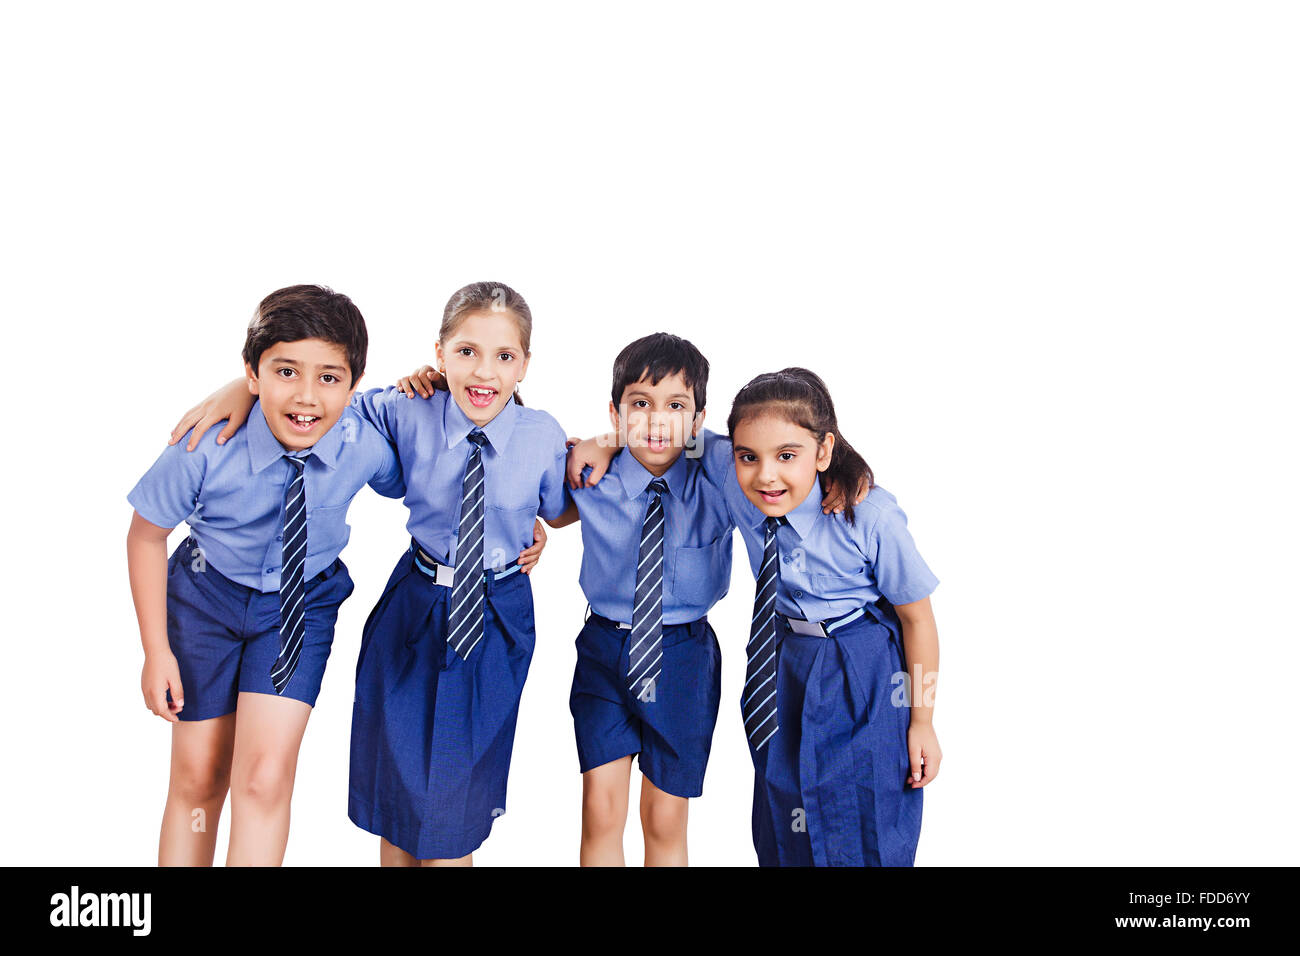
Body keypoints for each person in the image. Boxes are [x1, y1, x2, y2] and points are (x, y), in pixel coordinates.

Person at [166, 281, 556, 866]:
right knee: (398, 790)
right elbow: (319, 396)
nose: (485, 370)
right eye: (467, 351)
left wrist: (530, 526)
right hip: (416, 604)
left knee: (453, 806)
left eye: (504, 356)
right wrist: (240, 388)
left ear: (526, 363)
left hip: (495, 613)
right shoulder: (405, 409)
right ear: (440, 352)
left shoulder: (543, 435)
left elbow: (566, 498)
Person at [571, 366, 941, 866]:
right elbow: (672, 430)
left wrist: (923, 721)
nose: (767, 475)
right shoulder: (729, 470)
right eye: (750, 458)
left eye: (788, 456)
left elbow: (918, 619)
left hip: (861, 659)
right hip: (782, 654)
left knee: (861, 798)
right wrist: (606, 439)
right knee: (783, 799)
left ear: (824, 452)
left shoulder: (867, 515)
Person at [127, 284, 405, 866]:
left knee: (263, 779)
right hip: (205, 601)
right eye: (285, 372)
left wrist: (525, 524)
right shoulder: (206, 444)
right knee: (200, 779)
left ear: (354, 385)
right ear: (252, 373)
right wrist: (156, 651)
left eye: (330, 377)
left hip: (300, 607)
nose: (307, 397)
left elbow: (444, 451)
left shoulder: (364, 441)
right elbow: (147, 535)